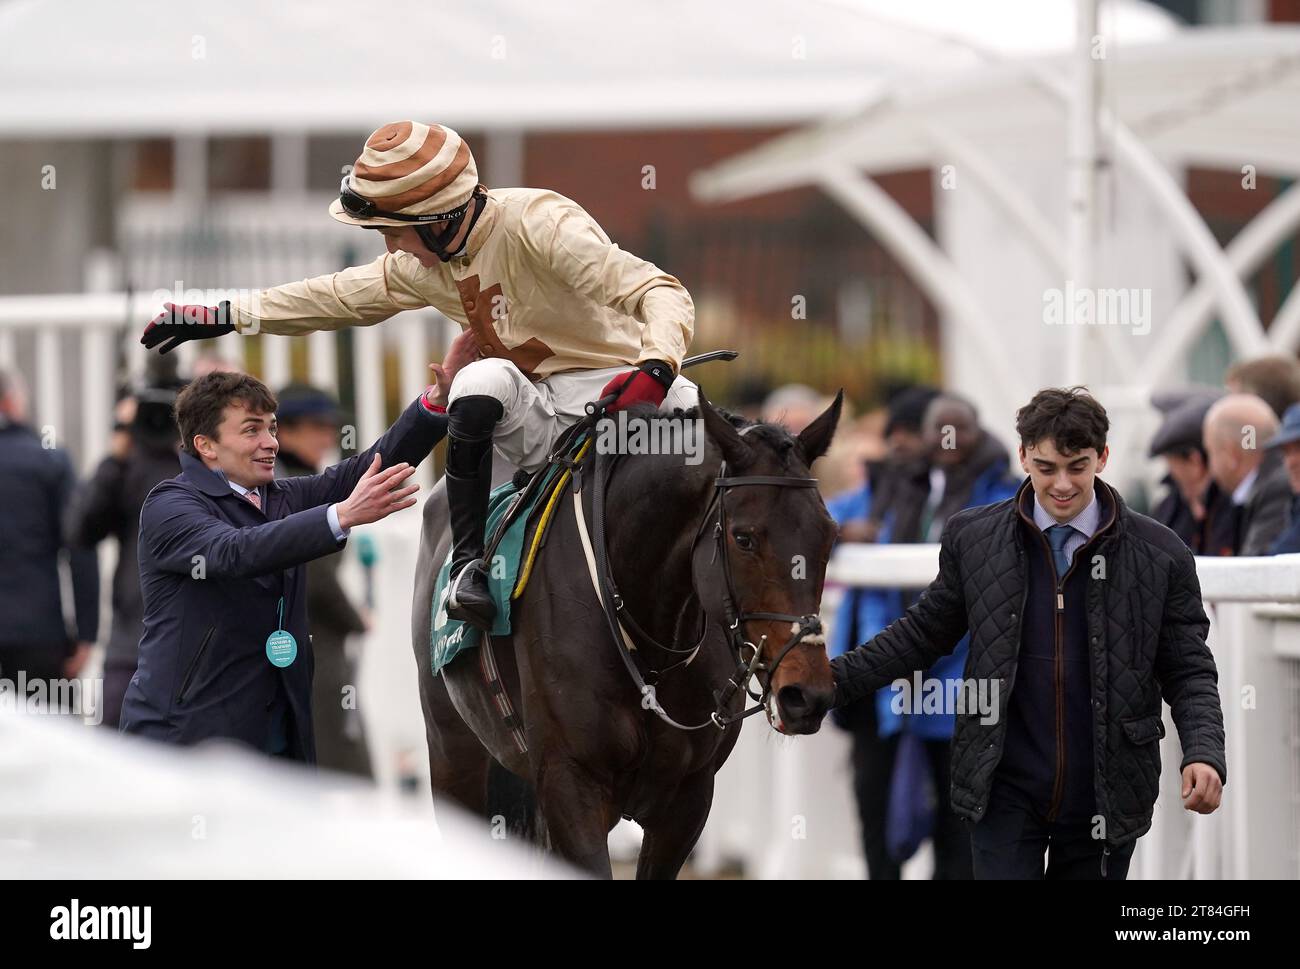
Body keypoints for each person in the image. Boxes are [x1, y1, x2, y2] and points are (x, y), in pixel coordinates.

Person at [139, 120, 697, 632]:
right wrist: (223, 315)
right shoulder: (423, 263)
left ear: (438, 220)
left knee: (713, 436)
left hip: (625, 397)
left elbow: (660, 291)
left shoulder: (539, 224)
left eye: (395, 232)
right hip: (539, 410)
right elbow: (331, 297)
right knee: (477, 392)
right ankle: (469, 571)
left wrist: (651, 371)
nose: (390, 247)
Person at [829, 387, 1227, 880]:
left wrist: (1204, 752)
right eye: (1045, 468)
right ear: (1023, 457)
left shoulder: (1162, 553)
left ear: (1103, 457)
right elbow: (921, 634)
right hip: (1001, 786)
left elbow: (1188, 668)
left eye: (1077, 467)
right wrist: (831, 682)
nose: (1062, 484)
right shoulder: (972, 538)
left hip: (1107, 790)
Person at [120, 365, 452, 763]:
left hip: (278, 732)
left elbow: (364, 468)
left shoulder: (278, 495)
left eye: (272, 428)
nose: (270, 442)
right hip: (187, 740)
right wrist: (339, 517)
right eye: (251, 430)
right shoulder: (169, 504)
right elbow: (234, 551)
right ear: (205, 445)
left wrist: (433, 405)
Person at [65, 382, 182, 729]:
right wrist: (117, 452)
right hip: (130, 644)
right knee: (113, 751)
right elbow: (81, 531)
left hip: (190, 645)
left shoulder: (199, 467)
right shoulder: (125, 468)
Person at [273, 382, 372, 777]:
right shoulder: (298, 489)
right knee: (337, 766)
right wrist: (356, 618)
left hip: (302, 644)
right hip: (315, 647)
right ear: (286, 431)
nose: (329, 437)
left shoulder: (289, 483)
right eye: (318, 426)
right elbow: (314, 578)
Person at [0, 369, 99, 695]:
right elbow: (80, 546)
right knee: (45, 742)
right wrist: (87, 633)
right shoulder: (50, 460)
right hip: (38, 634)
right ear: (12, 401)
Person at [1202, 394, 1291, 555]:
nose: (1210, 467)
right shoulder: (1269, 485)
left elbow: (1256, 570)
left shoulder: (1276, 492)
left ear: (1232, 454)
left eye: (1210, 451)